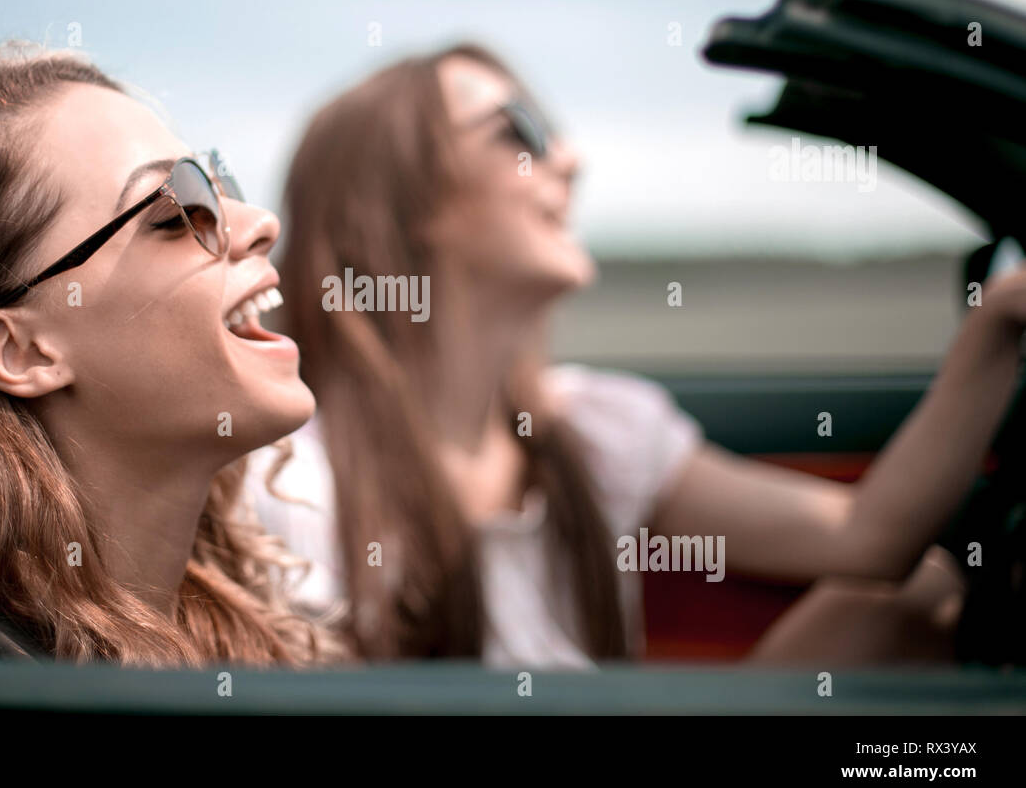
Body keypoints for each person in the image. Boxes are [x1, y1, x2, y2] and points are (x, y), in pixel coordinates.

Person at [244, 43, 1025, 666]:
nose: (571, 158)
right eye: (520, 130)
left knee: (912, 598)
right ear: (396, 201)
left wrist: (998, 326)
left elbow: (870, 539)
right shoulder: (290, 481)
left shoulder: (601, 429)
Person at [0, 46, 339, 666]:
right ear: (20, 352)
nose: (261, 222)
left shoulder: (262, 652)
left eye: (219, 184)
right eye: (178, 210)